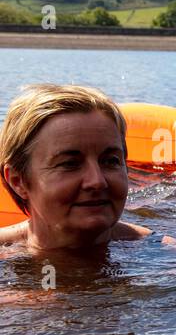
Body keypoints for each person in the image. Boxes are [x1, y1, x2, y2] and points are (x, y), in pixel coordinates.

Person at [0, 84, 155, 251]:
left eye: (110, 161)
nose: (97, 182)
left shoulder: (159, 251)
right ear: (18, 181)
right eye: (70, 164)